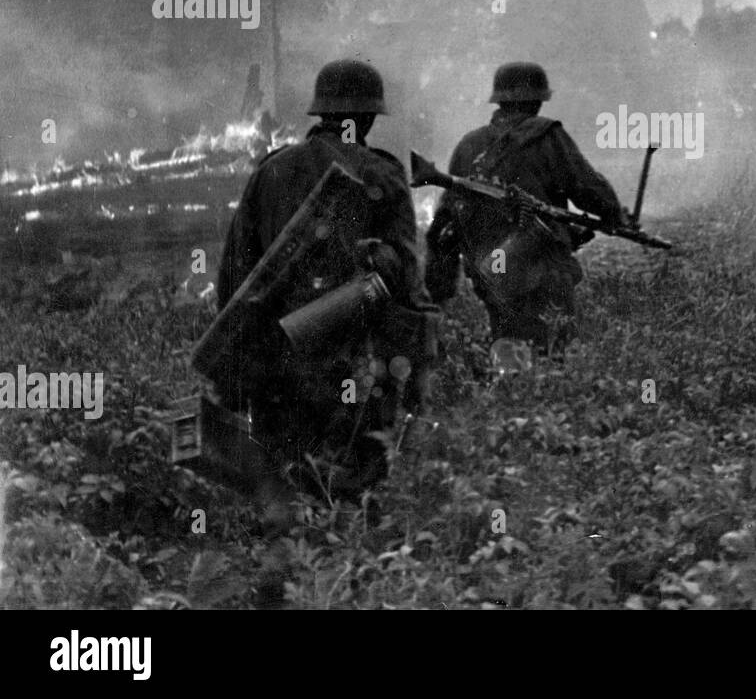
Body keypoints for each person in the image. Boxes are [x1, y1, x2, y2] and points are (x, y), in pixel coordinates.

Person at [211, 59, 433, 496]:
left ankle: (286, 547)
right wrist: (419, 365)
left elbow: (234, 280)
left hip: (277, 363)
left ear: (320, 113)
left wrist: (240, 362)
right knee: (355, 485)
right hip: (354, 362)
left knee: (284, 478)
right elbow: (408, 284)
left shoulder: (271, 171)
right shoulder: (383, 175)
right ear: (369, 117)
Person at [425, 62, 627, 362]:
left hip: (492, 272)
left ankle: (510, 395)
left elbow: (446, 221)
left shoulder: (470, 145)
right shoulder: (547, 136)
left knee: (509, 350)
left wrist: (440, 290)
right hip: (541, 269)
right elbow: (587, 189)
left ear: (499, 101)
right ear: (536, 100)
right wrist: (615, 216)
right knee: (554, 355)